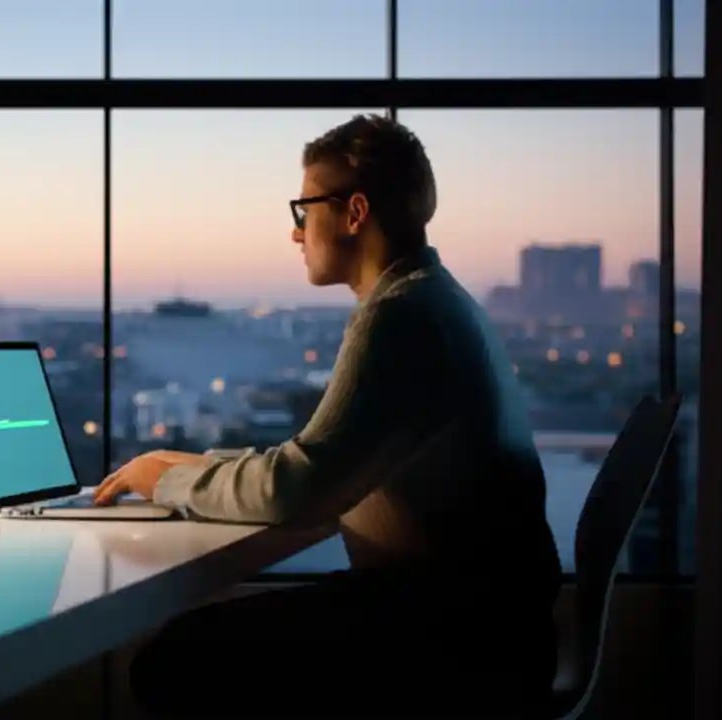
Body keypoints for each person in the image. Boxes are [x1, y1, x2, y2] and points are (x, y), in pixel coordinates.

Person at [93, 114, 563, 717]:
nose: (296, 234)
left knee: (179, 660)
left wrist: (172, 481)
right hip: (487, 621)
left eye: (303, 209)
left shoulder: (399, 316)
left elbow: (302, 487)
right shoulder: (436, 299)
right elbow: (330, 458)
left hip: (455, 636)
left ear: (354, 213)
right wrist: (193, 466)